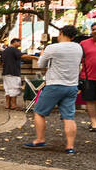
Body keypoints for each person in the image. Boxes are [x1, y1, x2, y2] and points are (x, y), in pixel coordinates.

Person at [25, 24, 84, 153]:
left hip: (54, 85)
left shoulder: (52, 48)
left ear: (61, 32)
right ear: (73, 36)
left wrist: (42, 54)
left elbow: (41, 64)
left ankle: (40, 139)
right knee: (69, 117)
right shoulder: (78, 47)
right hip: (72, 85)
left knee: (39, 112)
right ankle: (70, 146)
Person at [0, 37, 29, 110]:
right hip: (13, 72)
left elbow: (0, 62)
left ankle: (7, 105)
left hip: (5, 72)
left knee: (7, 89)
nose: (19, 44)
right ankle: (13, 105)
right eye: (19, 43)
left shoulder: (5, 50)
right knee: (14, 88)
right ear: (15, 42)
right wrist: (35, 58)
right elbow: (22, 56)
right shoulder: (14, 49)